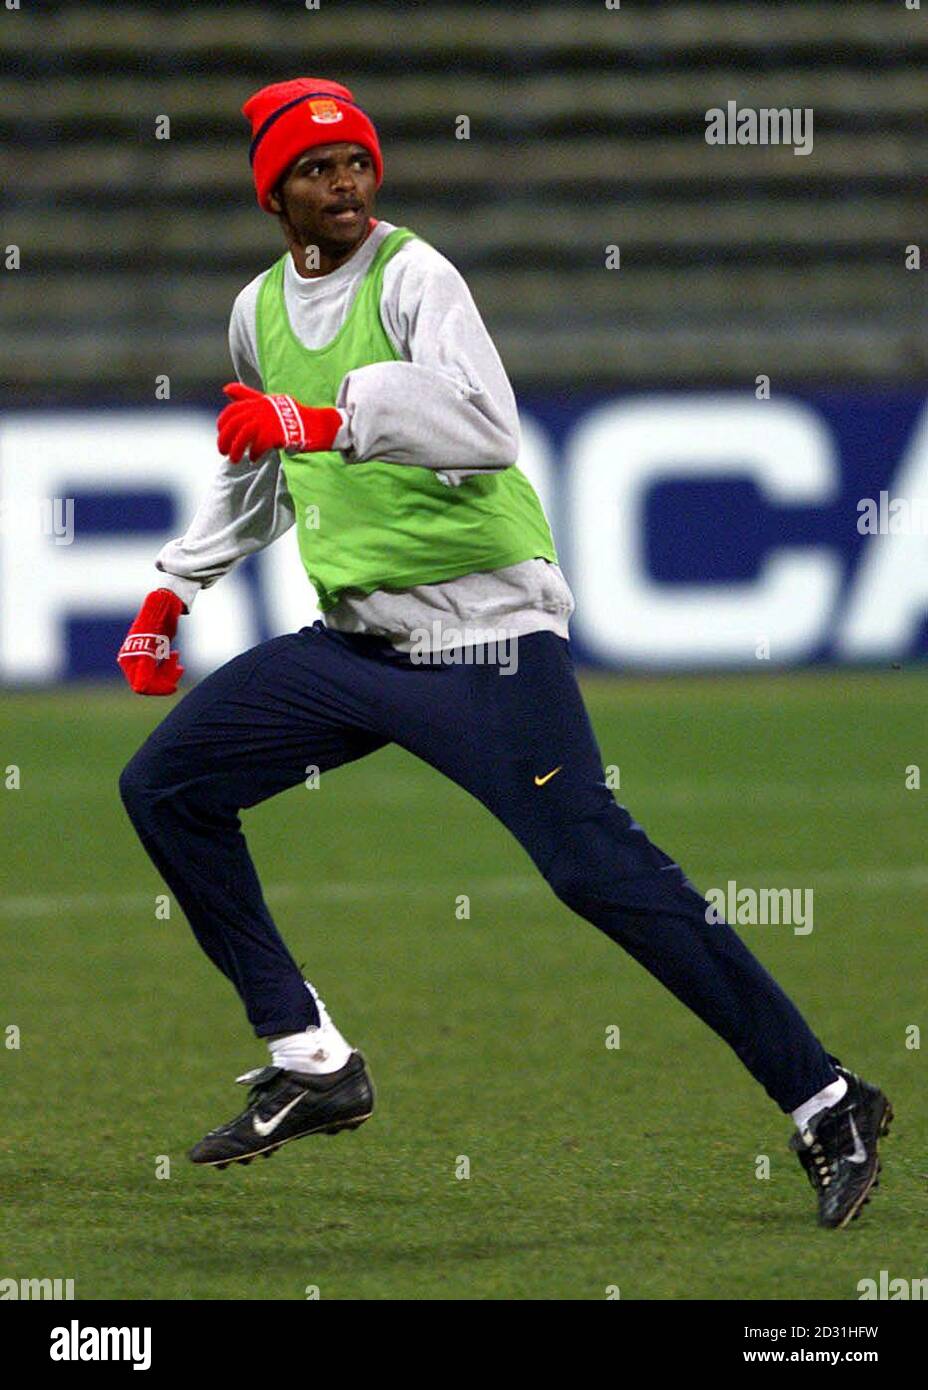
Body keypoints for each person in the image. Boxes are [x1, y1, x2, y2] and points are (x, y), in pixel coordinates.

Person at [118, 77, 890, 1228]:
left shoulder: (416, 277)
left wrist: (323, 418)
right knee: (165, 785)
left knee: (600, 873)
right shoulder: (257, 311)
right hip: (353, 644)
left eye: (357, 163)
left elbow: (485, 432)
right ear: (272, 190)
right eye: (319, 170)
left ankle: (827, 1098)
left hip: (483, 641)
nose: (348, 184)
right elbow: (264, 469)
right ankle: (314, 1058)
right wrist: (174, 586)